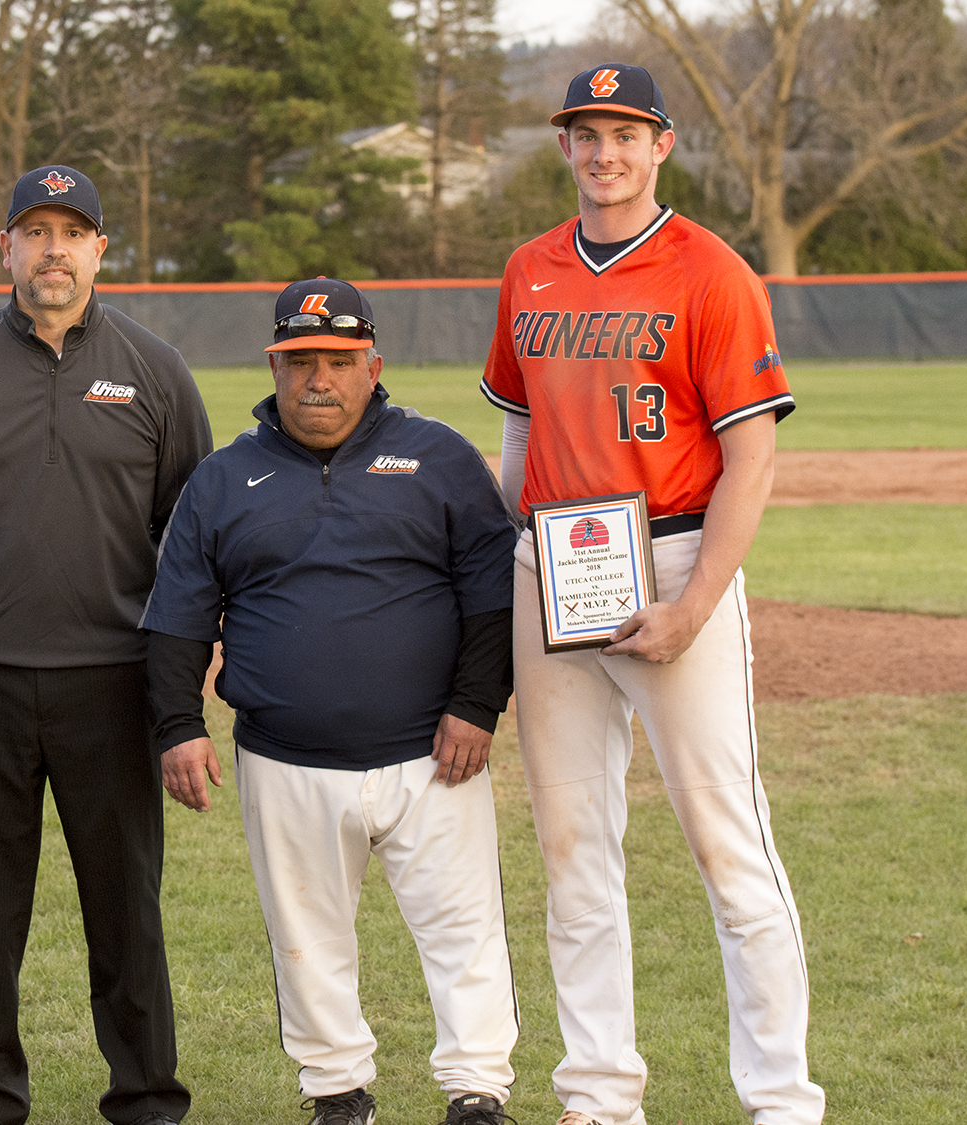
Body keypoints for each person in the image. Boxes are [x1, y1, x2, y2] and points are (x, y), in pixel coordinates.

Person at [480, 64, 820, 1125]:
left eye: (624, 133)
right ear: (567, 147)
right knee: (570, 846)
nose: (603, 152)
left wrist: (693, 605)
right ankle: (595, 1095)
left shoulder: (708, 271)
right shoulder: (527, 269)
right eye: (586, 133)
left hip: (672, 560)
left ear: (660, 145)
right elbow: (517, 432)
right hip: (553, 571)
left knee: (729, 846)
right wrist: (507, 558)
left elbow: (749, 460)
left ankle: (778, 1102)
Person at [143, 278, 522, 1125]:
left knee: (464, 933)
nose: (320, 379)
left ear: (373, 364)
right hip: (284, 756)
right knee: (307, 939)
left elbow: (492, 589)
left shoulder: (439, 455)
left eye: (340, 361)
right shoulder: (222, 478)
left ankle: (477, 1092)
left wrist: (476, 702)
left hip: (434, 755)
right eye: (301, 361)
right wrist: (177, 723)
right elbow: (177, 616)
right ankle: (337, 1092)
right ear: (274, 366)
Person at [0, 165, 211, 1125]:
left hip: (112, 678)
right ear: (6, 248)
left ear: (100, 249)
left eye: (72, 232)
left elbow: (186, 522)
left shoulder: (155, 369)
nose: (53, 249)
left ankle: (147, 1095)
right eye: (34, 231)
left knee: (125, 899)